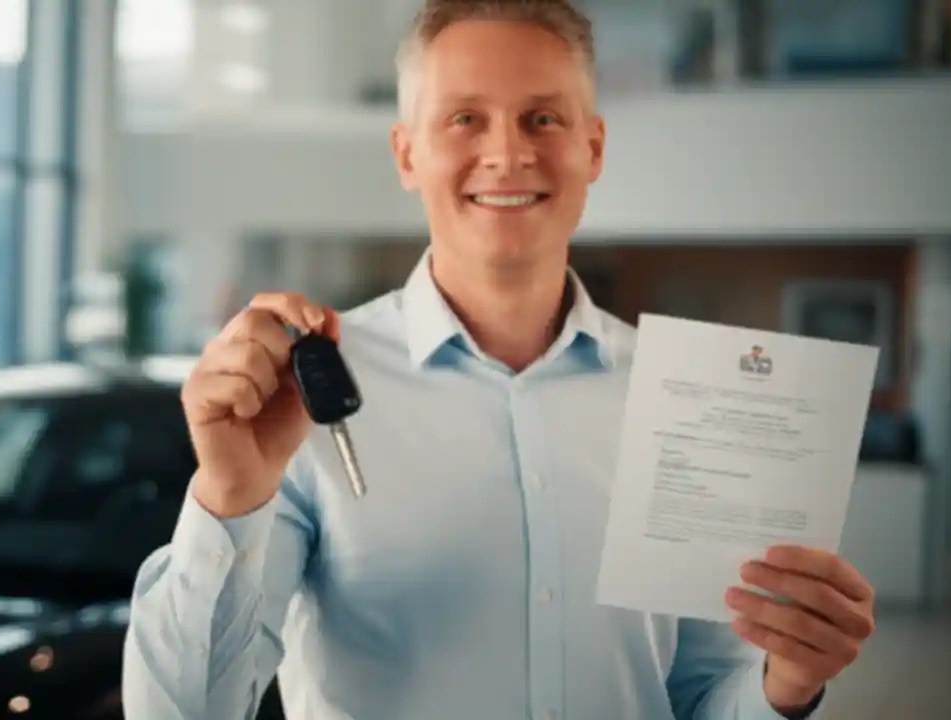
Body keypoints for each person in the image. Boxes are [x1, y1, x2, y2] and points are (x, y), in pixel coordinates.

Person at [122, 1, 876, 718]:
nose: (508, 152)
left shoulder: (680, 400)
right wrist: (228, 495)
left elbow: (701, 696)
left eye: (542, 118)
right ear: (407, 153)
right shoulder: (303, 400)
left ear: (594, 148)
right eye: (464, 119)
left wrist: (787, 685)